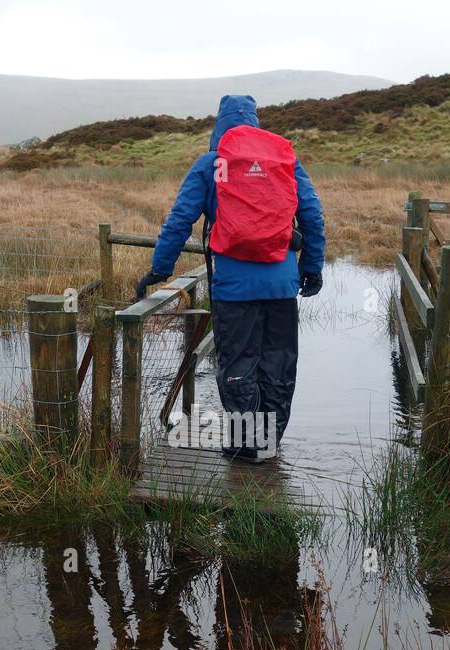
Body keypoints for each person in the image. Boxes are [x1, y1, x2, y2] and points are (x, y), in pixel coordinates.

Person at [136, 94, 325, 462]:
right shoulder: (285, 161)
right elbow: (313, 217)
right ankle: (267, 446)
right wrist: (312, 269)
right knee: (278, 365)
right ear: (255, 122)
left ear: (218, 125)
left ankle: (244, 449)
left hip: (233, 290)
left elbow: (179, 222)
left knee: (239, 367)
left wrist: (160, 269)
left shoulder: (211, 164)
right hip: (282, 287)